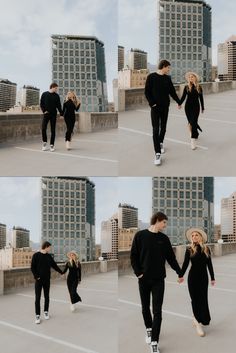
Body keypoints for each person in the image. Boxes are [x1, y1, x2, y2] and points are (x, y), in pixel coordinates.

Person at [130, 212, 184, 353]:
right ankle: (149, 329)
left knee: (157, 311)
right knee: (145, 308)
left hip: (159, 280)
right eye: (164, 222)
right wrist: (138, 273)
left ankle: (154, 342)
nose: (166, 225)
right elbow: (133, 256)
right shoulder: (140, 236)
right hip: (143, 280)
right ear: (158, 220)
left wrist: (180, 272)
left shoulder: (164, 239)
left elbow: (171, 259)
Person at [179, 228, 215, 337]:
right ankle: (197, 323)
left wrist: (213, 278)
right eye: (193, 235)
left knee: (203, 299)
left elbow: (209, 265)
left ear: (201, 237)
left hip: (203, 278)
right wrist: (180, 275)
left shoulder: (206, 249)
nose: (194, 237)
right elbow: (185, 264)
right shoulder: (189, 249)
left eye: (196, 235)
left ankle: (199, 319)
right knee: (194, 299)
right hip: (192, 278)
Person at [144, 60, 181, 166]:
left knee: (163, 127)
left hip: (165, 107)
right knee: (155, 129)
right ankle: (157, 153)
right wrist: (152, 103)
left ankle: (160, 143)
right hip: (155, 108)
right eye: (168, 68)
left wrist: (178, 102)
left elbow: (172, 92)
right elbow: (147, 91)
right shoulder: (151, 77)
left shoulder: (167, 79)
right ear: (163, 67)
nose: (169, 69)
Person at [31, 241, 63, 324]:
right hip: (38, 281)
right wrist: (36, 276)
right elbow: (32, 267)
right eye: (50, 247)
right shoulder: (36, 255)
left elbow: (54, 265)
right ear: (46, 246)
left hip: (47, 280)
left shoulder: (49, 256)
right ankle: (37, 315)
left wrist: (61, 272)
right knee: (37, 298)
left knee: (47, 297)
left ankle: (46, 312)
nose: (50, 248)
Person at [179, 72, 205, 150]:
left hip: (196, 107)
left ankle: (193, 141)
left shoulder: (199, 87)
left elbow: (201, 98)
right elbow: (183, 97)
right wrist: (179, 103)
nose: (191, 78)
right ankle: (195, 133)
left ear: (195, 78)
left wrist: (202, 107)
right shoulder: (186, 87)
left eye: (192, 77)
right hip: (188, 107)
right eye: (189, 77)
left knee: (193, 122)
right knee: (191, 122)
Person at [40, 83, 63, 152]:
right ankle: (44, 143)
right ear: (52, 87)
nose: (56, 90)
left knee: (53, 130)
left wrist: (61, 114)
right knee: (43, 128)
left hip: (53, 115)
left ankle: (52, 145)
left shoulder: (56, 96)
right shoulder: (44, 94)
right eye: (56, 88)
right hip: (46, 114)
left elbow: (59, 106)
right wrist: (44, 111)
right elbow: (41, 103)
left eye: (57, 89)